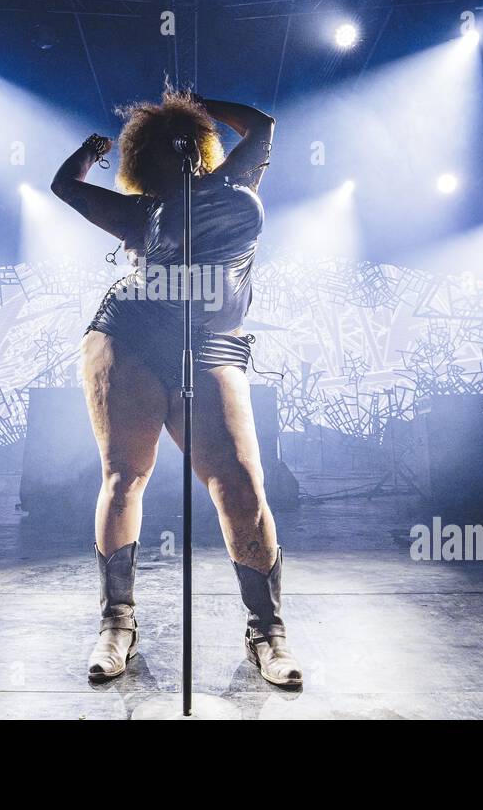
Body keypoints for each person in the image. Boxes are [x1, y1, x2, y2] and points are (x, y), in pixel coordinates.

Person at [51, 87, 301, 687]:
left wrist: (192, 104)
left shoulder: (235, 182)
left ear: (200, 148)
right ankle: (117, 624)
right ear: (144, 163)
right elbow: (64, 186)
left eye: (183, 144)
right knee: (124, 475)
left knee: (239, 480)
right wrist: (91, 149)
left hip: (212, 338)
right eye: (160, 149)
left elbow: (262, 124)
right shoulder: (136, 213)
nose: (176, 155)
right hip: (132, 331)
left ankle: (267, 631)